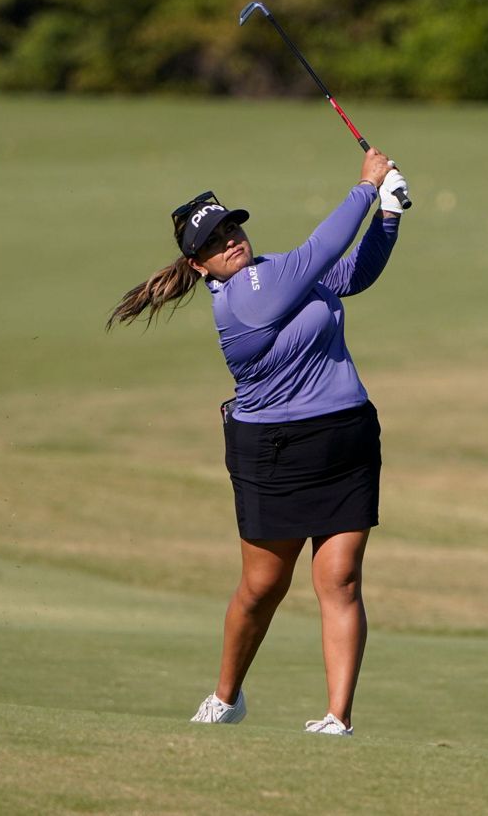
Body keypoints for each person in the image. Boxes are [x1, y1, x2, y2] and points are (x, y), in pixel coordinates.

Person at [106, 148, 408, 736]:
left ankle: (336, 719)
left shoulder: (274, 272)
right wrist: (367, 187)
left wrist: (389, 216)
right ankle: (227, 695)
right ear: (198, 265)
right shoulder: (245, 297)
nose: (230, 240)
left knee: (340, 579)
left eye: (232, 227)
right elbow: (323, 250)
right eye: (214, 240)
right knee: (264, 585)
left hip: (346, 433)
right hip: (273, 450)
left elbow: (352, 273)